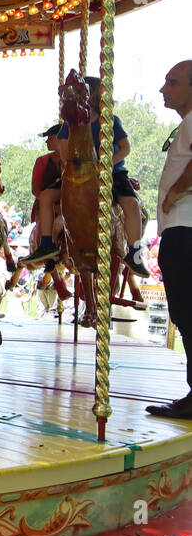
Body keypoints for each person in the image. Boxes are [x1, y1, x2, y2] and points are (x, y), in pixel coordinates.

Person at [52, 76, 146, 275]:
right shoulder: (70, 123)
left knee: (131, 204)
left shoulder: (109, 120)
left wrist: (105, 164)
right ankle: (53, 245)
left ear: (91, 96)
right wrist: (71, 164)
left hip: (112, 174)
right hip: (82, 176)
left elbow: (125, 148)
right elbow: (63, 148)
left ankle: (135, 252)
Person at [149, 60, 192, 418]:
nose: (164, 89)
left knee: (187, 313)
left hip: (184, 229)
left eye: (173, 82)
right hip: (179, 228)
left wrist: (175, 192)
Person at [23, 127, 66, 266]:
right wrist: (52, 204)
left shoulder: (72, 160)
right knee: (47, 224)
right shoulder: (42, 161)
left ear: (60, 138)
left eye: (50, 137)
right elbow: (36, 189)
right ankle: (47, 251)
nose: (47, 141)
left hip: (68, 205)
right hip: (47, 205)